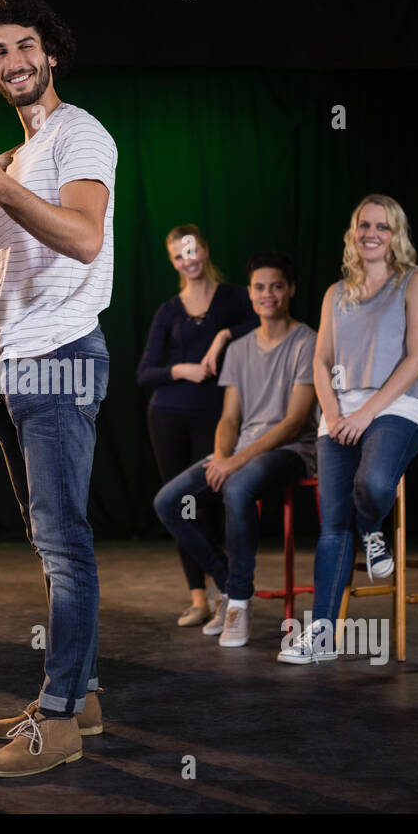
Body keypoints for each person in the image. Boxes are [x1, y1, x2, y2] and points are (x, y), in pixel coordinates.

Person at [0, 0, 116, 777]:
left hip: (61, 358)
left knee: (63, 542)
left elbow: (85, 239)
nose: (13, 62)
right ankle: (79, 693)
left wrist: (4, 188)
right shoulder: (14, 159)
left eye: (25, 47)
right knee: (50, 544)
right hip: (10, 363)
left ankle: (59, 720)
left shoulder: (79, 133)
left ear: (51, 53)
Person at [278, 194, 418, 664]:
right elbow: (321, 359)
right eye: (363, 224)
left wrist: (366, 414)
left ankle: (372, 529)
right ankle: (322, 635)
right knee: (332, 526)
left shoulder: (415, 282)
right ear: (353, 233)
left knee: (370, 485)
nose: (372, 233)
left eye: (382, 227)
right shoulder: (335, 293)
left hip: (398, 408)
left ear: (396, 235)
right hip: (342, 416)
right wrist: (332, 414)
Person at [153, 252, 317, 647]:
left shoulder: (307, 341)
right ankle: (228, 586)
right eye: (260, 287)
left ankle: (240, 602)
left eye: (276, 286)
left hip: (291, 451)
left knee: (238, 486)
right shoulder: (241, 348)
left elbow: (294, 422)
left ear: (290, 290)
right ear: (250, 293)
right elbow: (229, 419)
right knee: (168, 501)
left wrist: (235, 463)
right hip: (241, 451)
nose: (268, 294)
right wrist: (223, 457)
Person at [137, 224, 258, 626]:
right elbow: (145, 373)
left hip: (217, 414)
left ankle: (227, 591)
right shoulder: (170, 310)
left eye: (192, 251)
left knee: (211, 502)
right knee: (179, 505)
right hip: (168, 415)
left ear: (204, 249)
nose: (188, 260)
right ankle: (199, 597)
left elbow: (269, 322)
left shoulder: (235, 298)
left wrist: (224, 335)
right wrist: (183, 369)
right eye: (178, 256)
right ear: (173, 262)